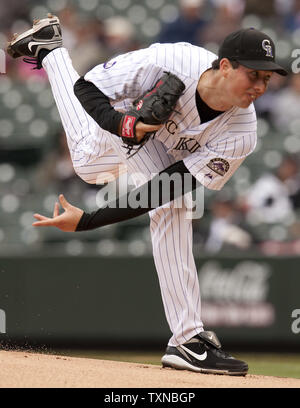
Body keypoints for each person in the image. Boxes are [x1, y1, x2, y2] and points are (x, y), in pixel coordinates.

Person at [7, 14, 287, 376]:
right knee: (87, 163)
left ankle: (188, 339)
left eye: (266, 78)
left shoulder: (242, 131)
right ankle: (52, 51)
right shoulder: (171, 62)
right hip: (125, 123)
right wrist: (127, 125)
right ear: (226, 66)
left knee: (172, 201)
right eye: (254, 75)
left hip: (165, 159)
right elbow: (89, 88)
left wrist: (90, 220)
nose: (260, 87)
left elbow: (169, 185)